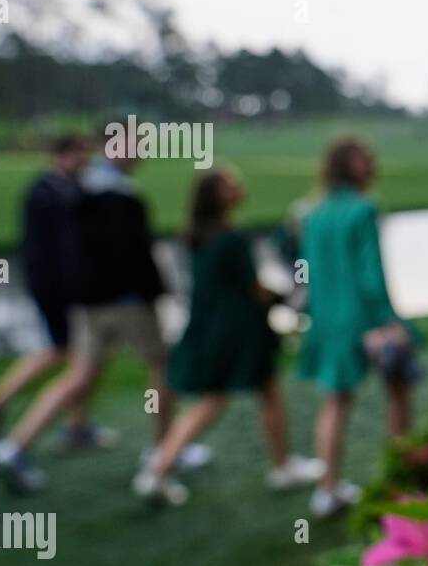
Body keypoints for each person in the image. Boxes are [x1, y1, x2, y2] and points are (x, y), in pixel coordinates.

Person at [0, 123, 206, 491]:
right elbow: (129, 255)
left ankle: (14, 447)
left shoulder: (77, 187)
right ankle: (164, 447)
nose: (141, 153)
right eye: (135, 145)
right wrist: (154, 288)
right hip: (125, 301)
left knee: (80, 374)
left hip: (86, 301)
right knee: (161, 369)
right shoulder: (113, 194)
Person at [132, 169, 324, 505]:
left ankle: (160, 468)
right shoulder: (232, 238)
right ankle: (280, 466)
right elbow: (254, 289)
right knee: (250, 395)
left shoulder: (194, 236)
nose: (238, 187)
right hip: (240, 330)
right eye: (229, 185)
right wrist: (289, 297)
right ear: (215, 196)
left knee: (222, 398)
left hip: (208, 326)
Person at [0, 135, 114, 449]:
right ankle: (20, 418)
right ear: (63, 156)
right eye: (79, 157)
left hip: (57, 287)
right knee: (75, 356)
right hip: (58, 288)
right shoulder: (50, 192)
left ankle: (1, 404)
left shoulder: (56, 188)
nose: (84, 163)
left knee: (68, 353)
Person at [298, 139, 412, 517]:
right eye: (364, 160)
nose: (371, 165)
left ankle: (327, 489)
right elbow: (370, 273)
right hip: (364, 319)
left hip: (328, 320)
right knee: (398, 390)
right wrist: (386, 321)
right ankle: (402, 481)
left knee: (334, 401)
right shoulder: (363, 210)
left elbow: (307, 270)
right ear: (347, 166)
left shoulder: (313, 213)